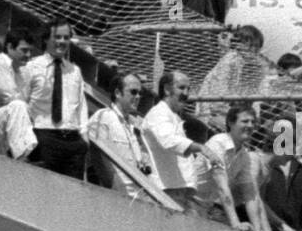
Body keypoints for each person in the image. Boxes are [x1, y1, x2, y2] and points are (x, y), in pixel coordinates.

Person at [20, 16, 88, 178]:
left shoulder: (75, 71)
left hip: (73, 142)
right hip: (44, 138)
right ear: (46, 39)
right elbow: (22, 102)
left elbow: (81, 107)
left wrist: (84, 140)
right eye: (57, 37)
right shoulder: (32, 67)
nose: (62, 41)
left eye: (66, 37)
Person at [193, 103, 270, 231]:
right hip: (190, 202)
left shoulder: (244, 154)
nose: (250, 126)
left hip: (207, 208)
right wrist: (235, 224)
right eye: (245, 121)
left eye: (253, 122)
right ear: (230, 123)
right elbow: (222, 188)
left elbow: (249, 195)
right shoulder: (218, 143)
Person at [142, 69, 213, 209]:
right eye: (181, 88)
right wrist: (200, 147)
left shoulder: (172, 116)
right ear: (167, 89)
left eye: (188, 89)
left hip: (177, 191)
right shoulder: (158, 113)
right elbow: (169, 141)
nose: (186, 94)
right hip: (164, 192)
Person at [87, 70, 153, 198]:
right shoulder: (104, 117)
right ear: (117, 93)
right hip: (116, 197)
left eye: (140, 93)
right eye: (133, 92)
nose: (138, 96)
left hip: (137, 196)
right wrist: (113, 192)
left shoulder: (131, 126)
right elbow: (99, 159)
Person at [0, 28, 37, 160]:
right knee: (17, 106)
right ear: (10, 47)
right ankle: (21, 156)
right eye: (24, 50)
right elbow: (11, 97)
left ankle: (18, 154)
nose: (28, 55)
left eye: (30, 51)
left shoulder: (22, 74)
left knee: (21, 109)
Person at [197, 24, 264, 130]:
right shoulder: (231, 61)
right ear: (239, 44)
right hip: (210, 113)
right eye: (250, 46)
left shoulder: (239, 61)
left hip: (219, 110)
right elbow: (218, 96)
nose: (253, 52)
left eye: (256, 48)